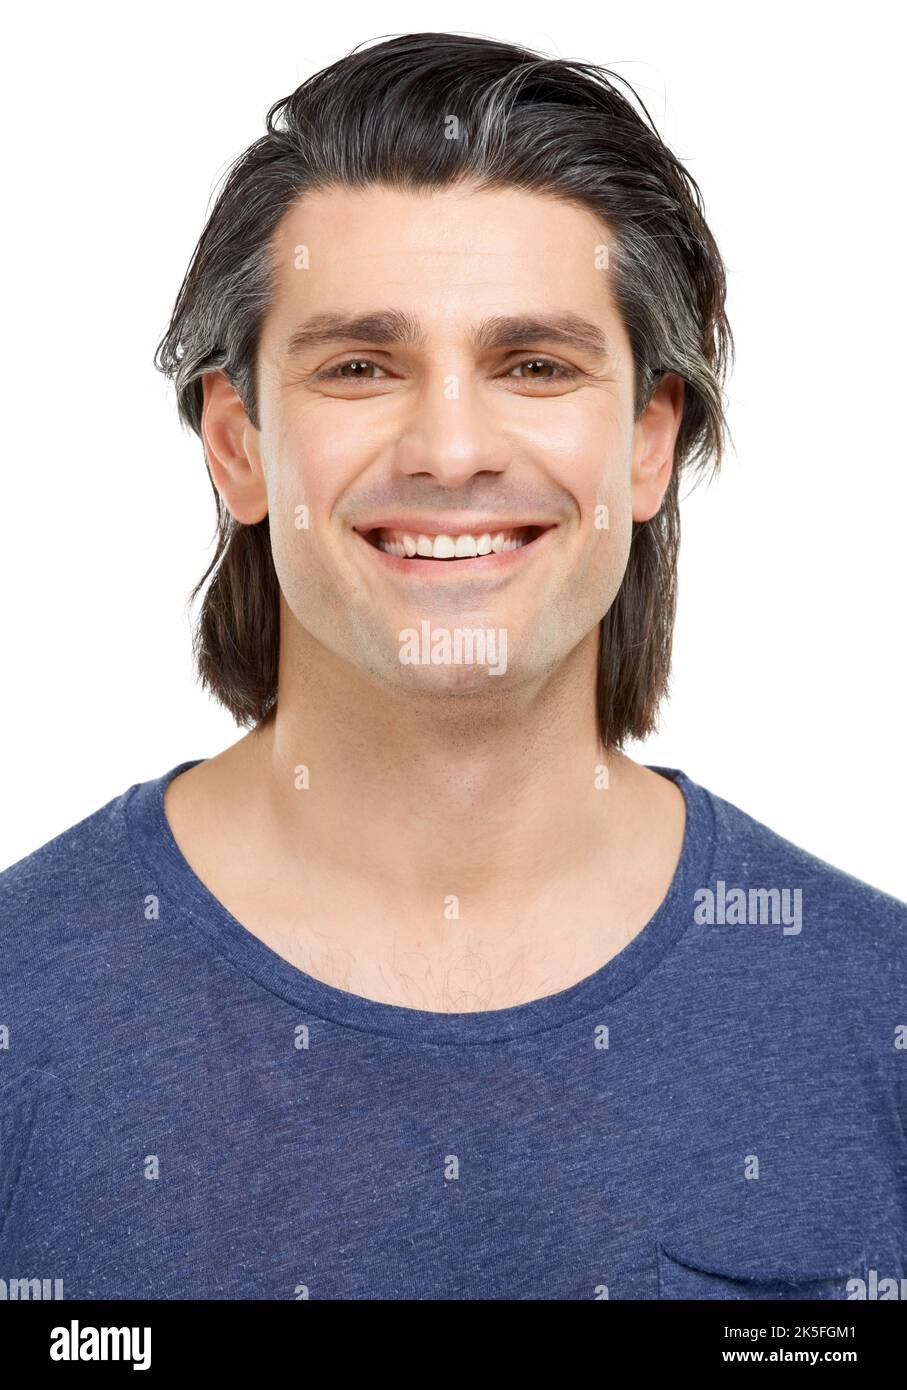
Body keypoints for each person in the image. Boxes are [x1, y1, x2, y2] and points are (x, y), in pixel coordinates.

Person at [1, 32, 904, 1302]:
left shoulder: (878, 1015)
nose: (450, 445)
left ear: (648, 444)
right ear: (237, 442)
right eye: (360, 366)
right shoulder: (19, 1010)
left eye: (532, 365)